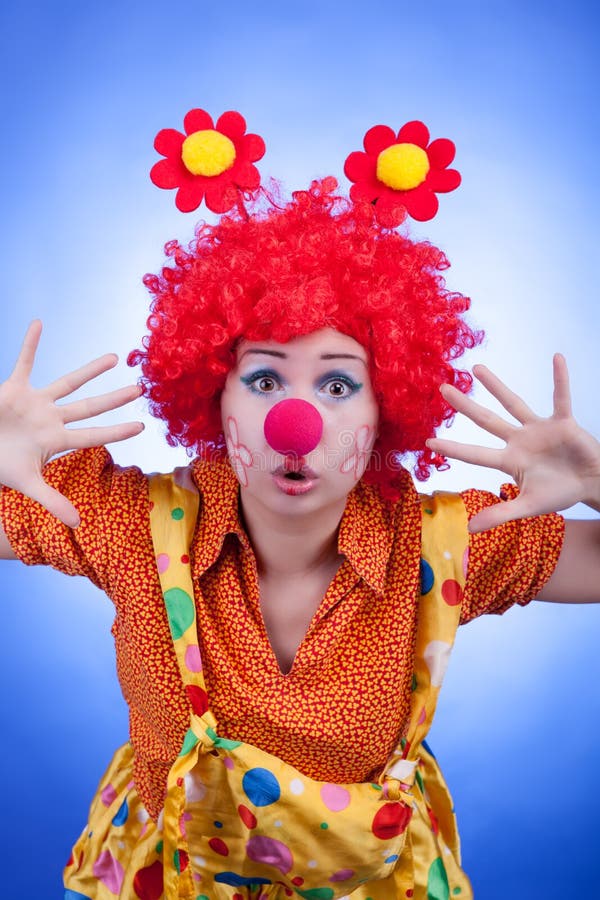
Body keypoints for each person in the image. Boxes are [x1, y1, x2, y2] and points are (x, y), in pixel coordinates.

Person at [1, 110, 599, 900]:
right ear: (214, 399)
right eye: (264, 379)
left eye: (339, 383)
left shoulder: (449, 542)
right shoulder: (125, 523)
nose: (298, 422)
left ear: (389, 407)